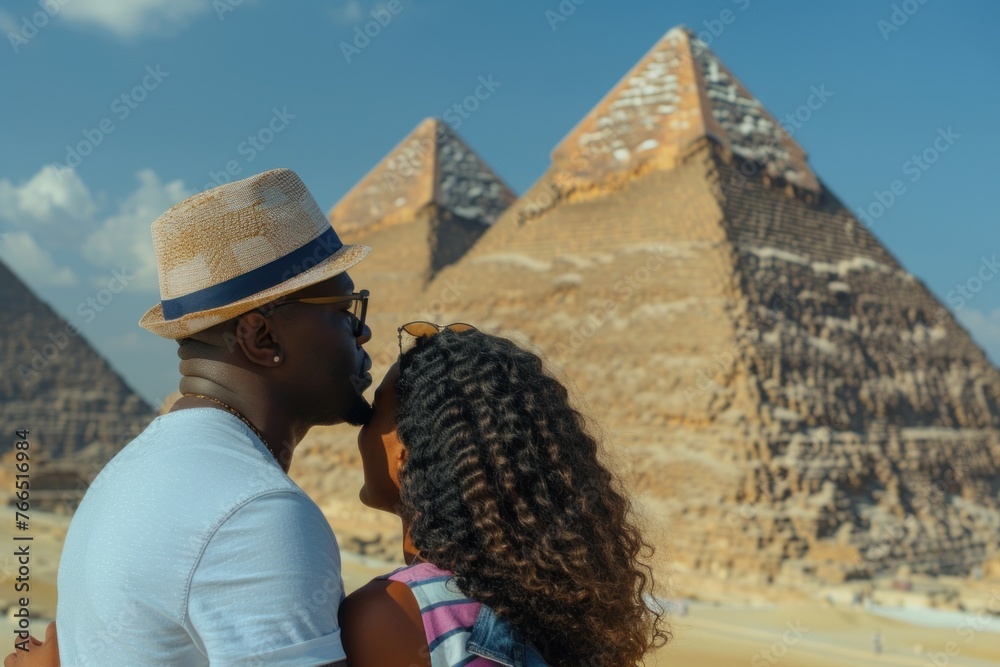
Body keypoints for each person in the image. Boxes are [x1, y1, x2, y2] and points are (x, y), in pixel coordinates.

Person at [5, 168, 373, 666]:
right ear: (262, 337)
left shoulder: (128, 475)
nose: (362, 334)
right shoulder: (256, 512)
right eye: (345, 309)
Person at [339, 323, 670, 666]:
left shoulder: (393, 613)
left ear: (407, 455)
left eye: (373, 413)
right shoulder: (556, 620)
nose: (362, 430)